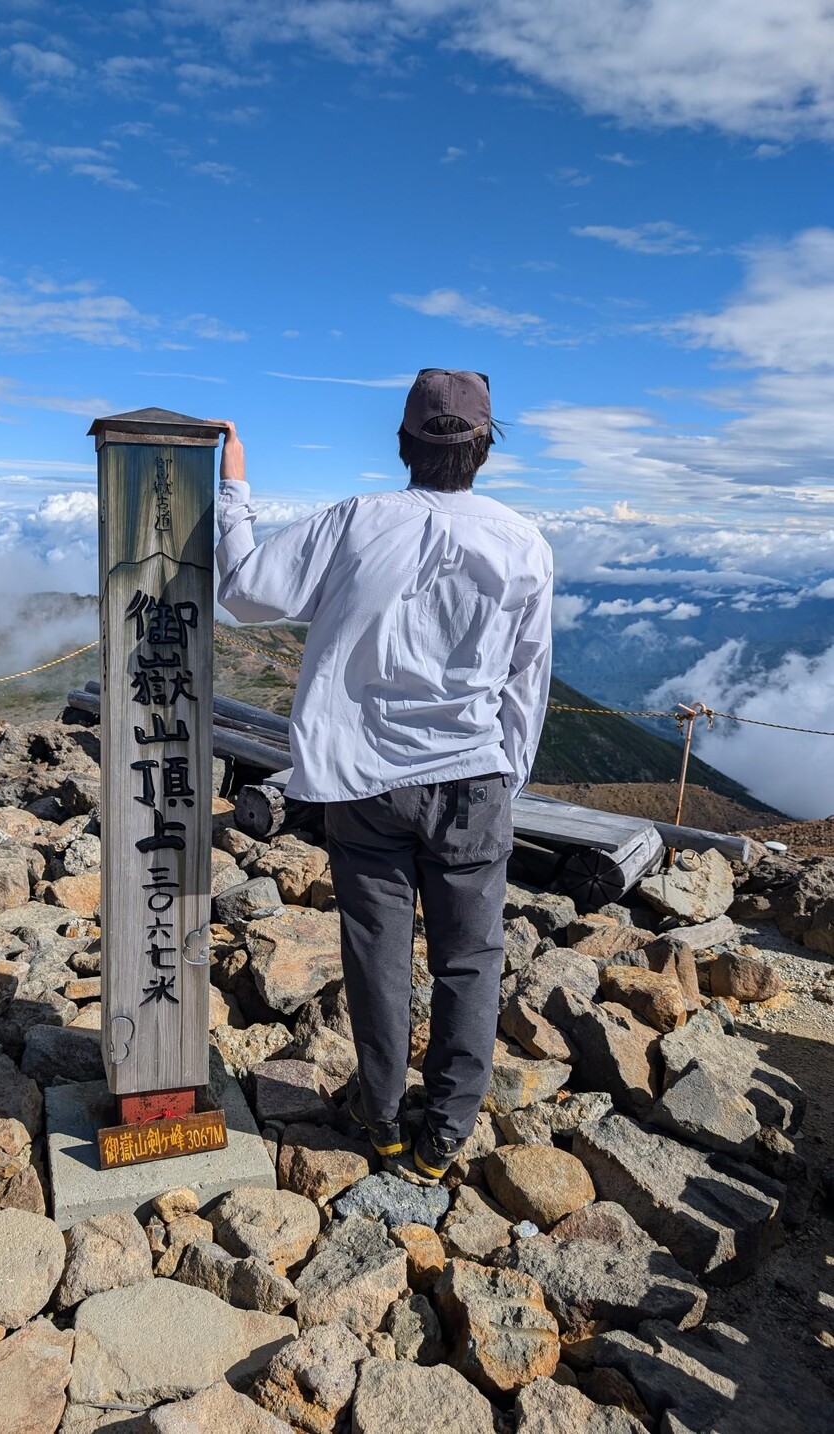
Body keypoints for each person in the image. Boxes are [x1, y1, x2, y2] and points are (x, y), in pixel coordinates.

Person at [213, 369, 553, 1182]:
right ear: (483, 447)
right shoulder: (523, 542)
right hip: (473, 777)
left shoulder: (358, 522)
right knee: (470, 959)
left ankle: (383, 1117)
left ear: (402, 442)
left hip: (363, 779)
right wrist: (510, 775)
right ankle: (445, 1134)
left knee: (376, 954)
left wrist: (233, 489)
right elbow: (527, 676)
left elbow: (243, 591)